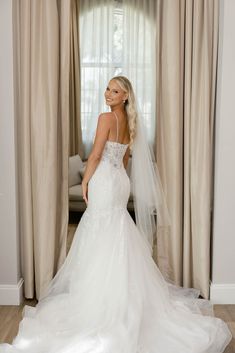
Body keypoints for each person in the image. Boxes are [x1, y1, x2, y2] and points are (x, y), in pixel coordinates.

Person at [0, 76, 232, 352]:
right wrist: (112, 176)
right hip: (120, 181)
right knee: (117, 231)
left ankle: (102, 302)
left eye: (115, 91)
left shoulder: (106, 118)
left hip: (105, 181)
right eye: (107, 89)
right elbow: (124, 160)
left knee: (100, 233)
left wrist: (86, 181)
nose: (108, 94)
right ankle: (119, 296)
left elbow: (95, 156)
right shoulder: (129, 122)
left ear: (125, 96)